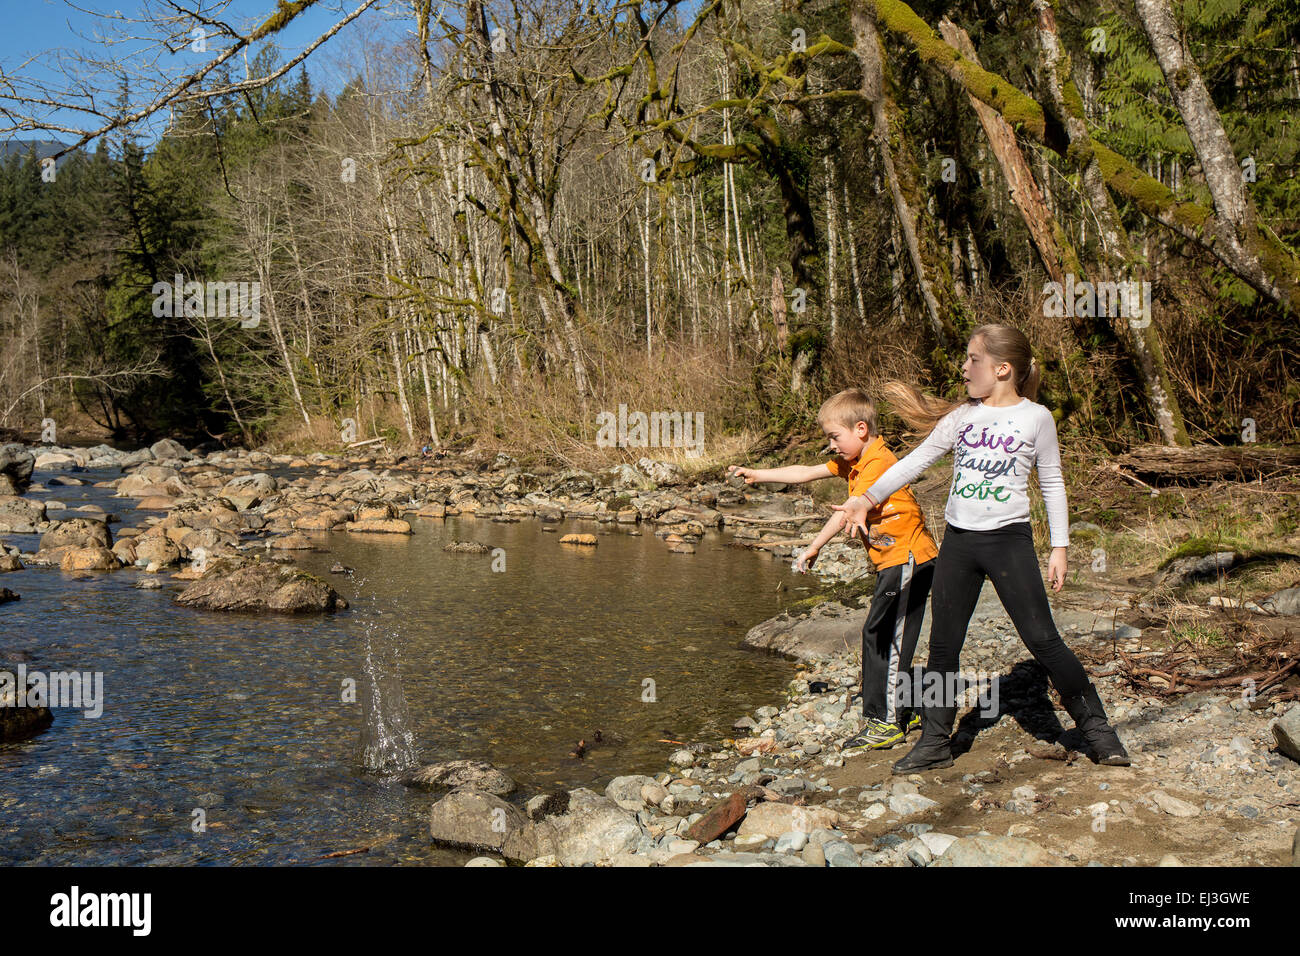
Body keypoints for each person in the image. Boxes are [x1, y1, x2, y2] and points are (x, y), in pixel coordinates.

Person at [832, 324, 1130, 773]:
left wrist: (1060, 546)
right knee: (942, 647)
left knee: (1043, 639)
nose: (965, 367)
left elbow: (1051, 482)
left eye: (974, 359)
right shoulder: (962, 417)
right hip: (959, 543)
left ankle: (1097, 729)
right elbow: (914, 461)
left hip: (1009, 543)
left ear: (1003, 369)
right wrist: (865, 499)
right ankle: (934, 741)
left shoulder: (1036, 418)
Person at [728, 388, 939, 752]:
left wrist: (817, 544)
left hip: (909, 559)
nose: (831, 445)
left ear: (860, 429)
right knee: (879, 633)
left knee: (885, 634)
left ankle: (888, 722)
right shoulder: (855, 461)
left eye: (834, 437)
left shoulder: (878, 463)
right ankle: (899, 710)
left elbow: (849, 509)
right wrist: (758, 474)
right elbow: (806, 472)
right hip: (893, 560)